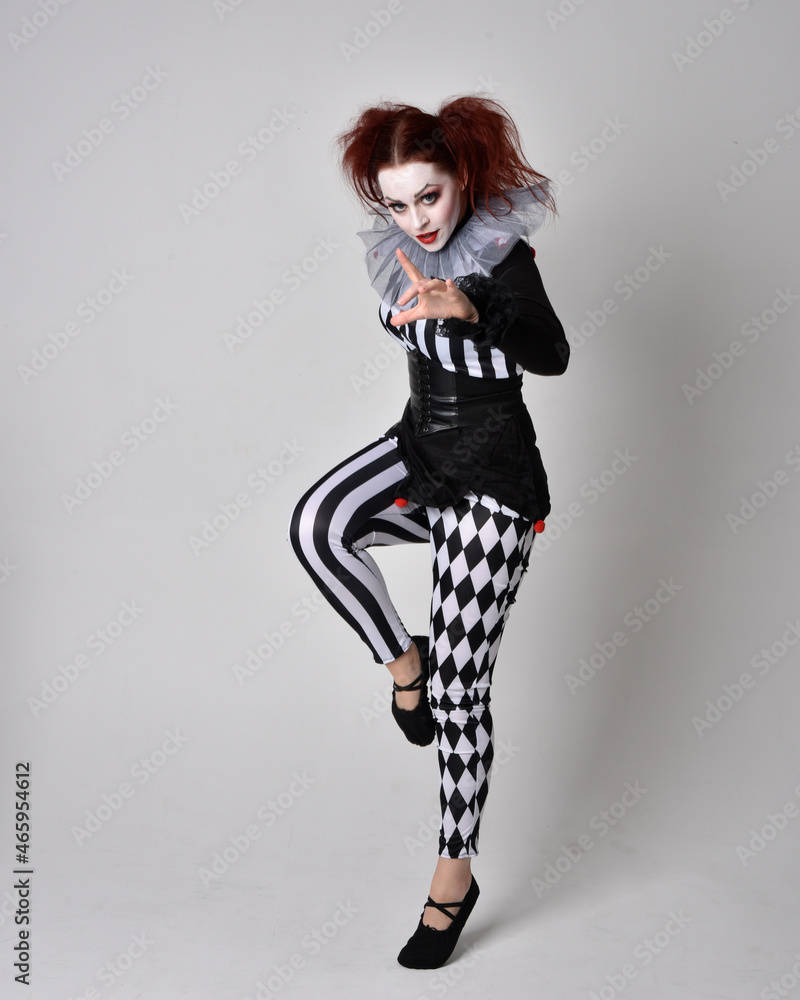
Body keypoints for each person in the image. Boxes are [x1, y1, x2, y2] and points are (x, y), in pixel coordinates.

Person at [288, 94, 569, 969]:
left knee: (462, 695)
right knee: (318, 525)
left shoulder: (501, 256)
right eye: (398, 203)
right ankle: (403, 662)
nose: (417, 218)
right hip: (421, 454)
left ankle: (454, 873)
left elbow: (552, 353)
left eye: (431, 198)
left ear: (462, 181)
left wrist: (476, 311)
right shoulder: (402, 251)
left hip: (492, 480)